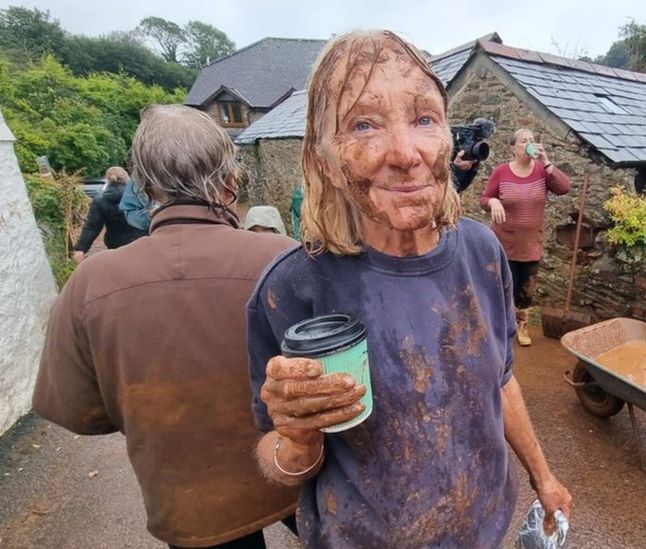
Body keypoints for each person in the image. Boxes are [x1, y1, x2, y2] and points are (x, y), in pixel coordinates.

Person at [246, 30, 571, 548]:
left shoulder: (483, 252)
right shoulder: (292, 287)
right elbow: (278, 461)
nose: (406, 152)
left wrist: (543, 476)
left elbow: (501, 380)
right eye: (363, 124)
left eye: (424, 118)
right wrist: (297, 435)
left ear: (448, 136)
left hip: (483, 527)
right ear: (325, 158)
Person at [33, 105, 301, 549]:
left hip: (186, 497)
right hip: (293, 470)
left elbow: (77, 411)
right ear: (230, 180)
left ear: (147, 187)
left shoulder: (92, 281)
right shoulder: (283, 256)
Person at [479, 128, 571, 346]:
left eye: (531, 140)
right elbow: (484, 198)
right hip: (503, 243)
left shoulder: (541, 171)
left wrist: (547, 162)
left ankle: (522, 327)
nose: (529, 143)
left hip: (530, 244)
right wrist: (492, 202)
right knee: (502, 286)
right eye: (523, 141)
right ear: (513, 148)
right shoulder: (501, 172)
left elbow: (564, 188)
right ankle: (500, 327)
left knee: (526, 289)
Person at [71, 166, 147, 263]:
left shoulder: (100, 200)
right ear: (127, 178)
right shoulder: (141, 195)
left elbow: (92, 227)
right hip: (141, 241)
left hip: (116, 245)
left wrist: (81, 249)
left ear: (108, 180)